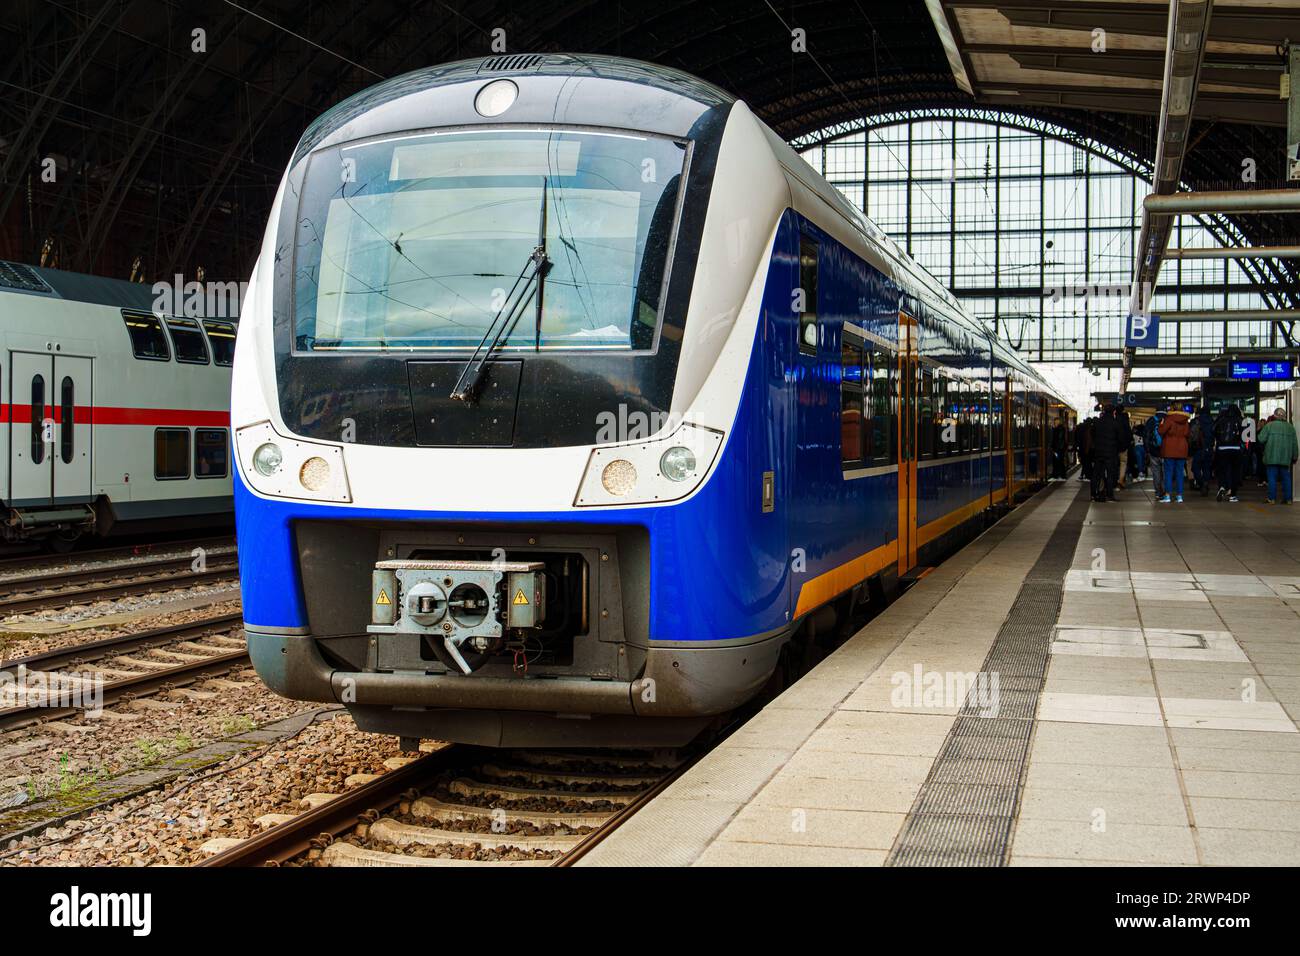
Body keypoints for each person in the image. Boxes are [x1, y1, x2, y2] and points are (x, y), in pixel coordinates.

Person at [1259, 408, 1298, 505]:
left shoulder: (1269, 426)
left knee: (1272, 478)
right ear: (1284, 416)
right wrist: (1295, 456)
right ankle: (1288, 499)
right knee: (1286, 478)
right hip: (1285, 458)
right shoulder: (1290, 428)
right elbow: (1294, 444)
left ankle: (1271, 499)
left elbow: (1261, 439)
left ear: (1274, 415)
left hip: (1271, 457)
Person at [1157, 406, 1191, 503]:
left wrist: (1161, 424)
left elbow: (1161, 431)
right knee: (1179, 473)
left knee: (1168, 473)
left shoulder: (1168, 419)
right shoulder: (1185, 421)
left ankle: (1167, 495)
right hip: (1182, 449)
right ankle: (1179, 496)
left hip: (1169, 449)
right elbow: (1188, 433)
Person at [1213, 403, 1245, 502]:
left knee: (1222, 470)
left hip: (1222, 449)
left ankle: (1222, 486)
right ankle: (1233, 495)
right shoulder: (1240, 421)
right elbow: (1246, 436)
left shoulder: (1221, 419)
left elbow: (1213, 431)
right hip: (1236, 449)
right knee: (1235, 472)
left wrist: (1218, 442)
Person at [1092, 405, 1121, 502]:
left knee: (1096, 474)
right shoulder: (1115, 423)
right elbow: (1119, 438)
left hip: (1098, 453)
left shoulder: (1097, 422)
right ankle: (1109, 495)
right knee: (1110, 474)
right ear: (1113, 412)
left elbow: (1093, 435)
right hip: (1110, 453)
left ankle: (1093, 494)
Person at [1192, 405, 1214, 496]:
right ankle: (1205, 483)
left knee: (1195, 467)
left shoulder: (1196, 421)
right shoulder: (1212, 422)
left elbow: (1191, 435)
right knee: (1206, 468)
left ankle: (1201, 483)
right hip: (1209, 447)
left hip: (1198, 448)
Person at [1146, 412, 1165, 500]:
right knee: (1165, 472)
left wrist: (1147, 449)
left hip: (1153, 451)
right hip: (1165, 451)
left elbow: (1146, 435)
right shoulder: (1168, 420)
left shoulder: (1151, 421)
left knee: (1156, 472)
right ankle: (1165, 491)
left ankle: (1158, 492)